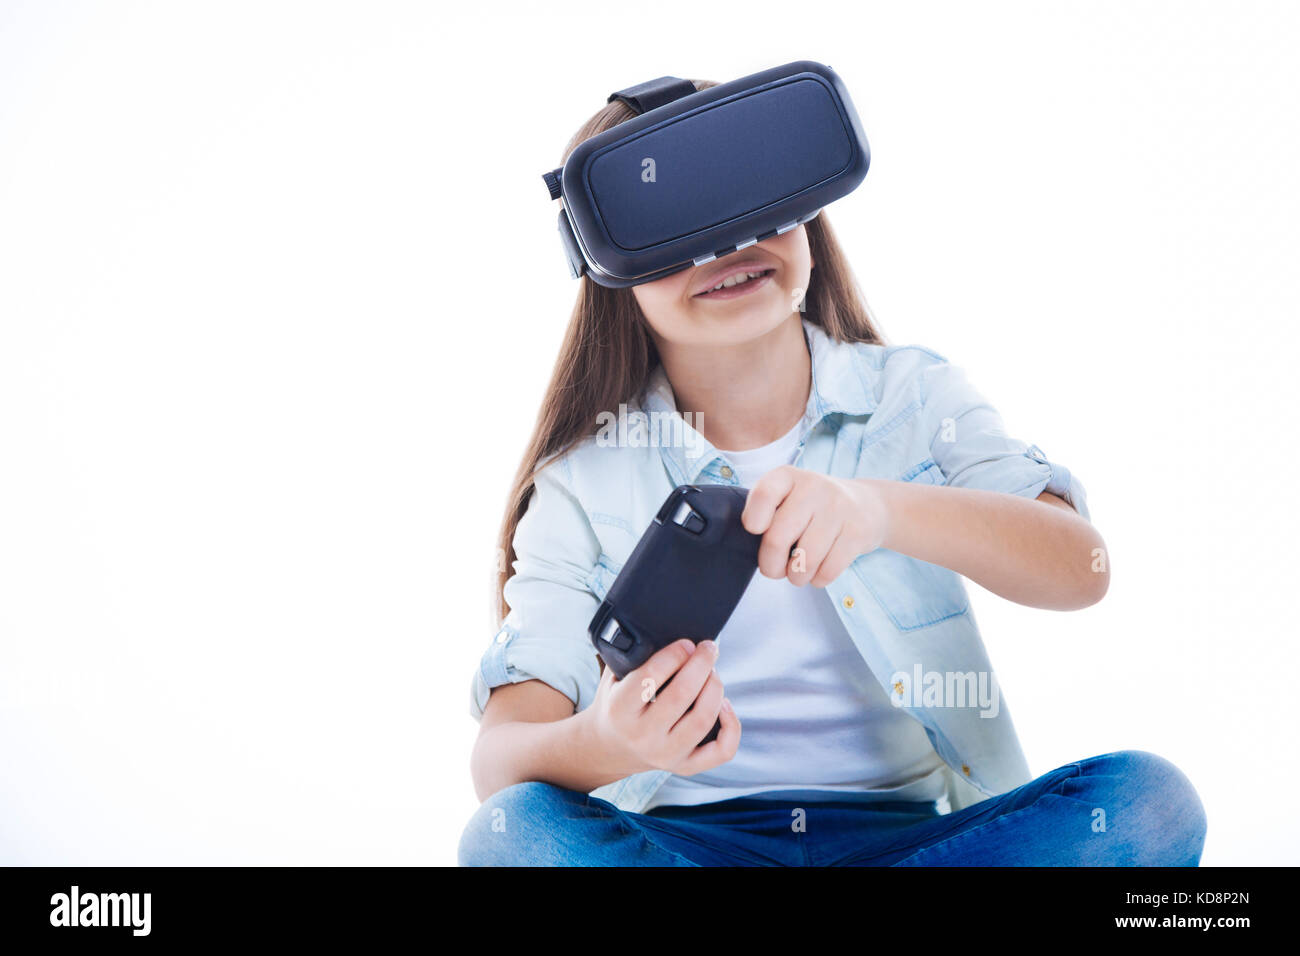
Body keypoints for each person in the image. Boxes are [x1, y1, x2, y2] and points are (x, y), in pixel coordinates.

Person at [458, 80, 1207, 866]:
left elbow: (1080, 567)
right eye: (670, 227)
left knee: (1149, 803)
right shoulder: (583, 482)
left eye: (755, 205)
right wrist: (606, 740)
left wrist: (879, 510)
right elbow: (500, 763)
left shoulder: (916, 397)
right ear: (606, 265)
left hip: (920, 841)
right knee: (516, 839)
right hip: (684, 848)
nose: (722, 248)